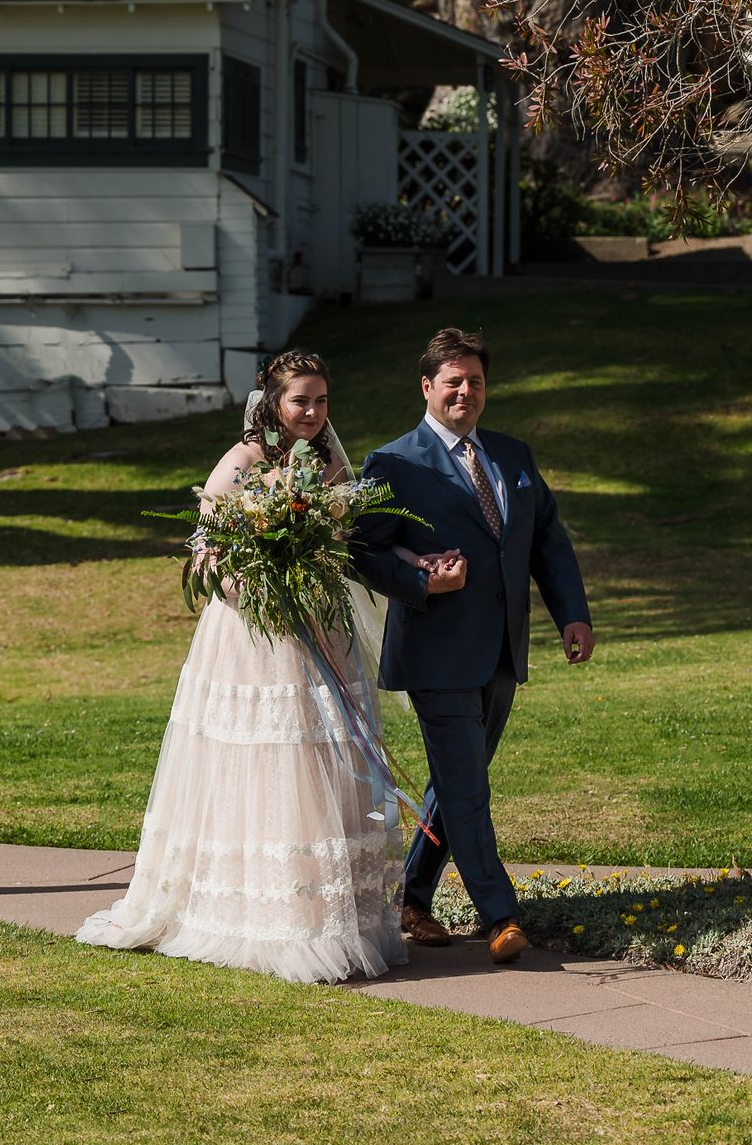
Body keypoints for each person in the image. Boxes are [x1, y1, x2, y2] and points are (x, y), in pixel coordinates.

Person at [75, 351, 408, 984]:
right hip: (257, 635)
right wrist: (256, 586)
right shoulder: (244, 461)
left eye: (320, 401)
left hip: (318, 624)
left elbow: (347, 539)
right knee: (270, 758)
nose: (311, 413)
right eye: (299, 401)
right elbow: (203, 548)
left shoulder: (331, 463)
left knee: (322, 760)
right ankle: (266, 910)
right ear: (273, 404)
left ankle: (329, 908)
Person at [351, 327, 593, 964]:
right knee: (467, 790)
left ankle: (413, 897)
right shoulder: (393, 464)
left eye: (475, 381)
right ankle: (500, 915)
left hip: (504, 651)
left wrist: (573, 614)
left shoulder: (514, 456)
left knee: (457, 781)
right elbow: (362, 550)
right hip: (437, 653)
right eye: (452, 381)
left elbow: (547, 542)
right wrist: (422, 582)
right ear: (427, 388)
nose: (465, 391)